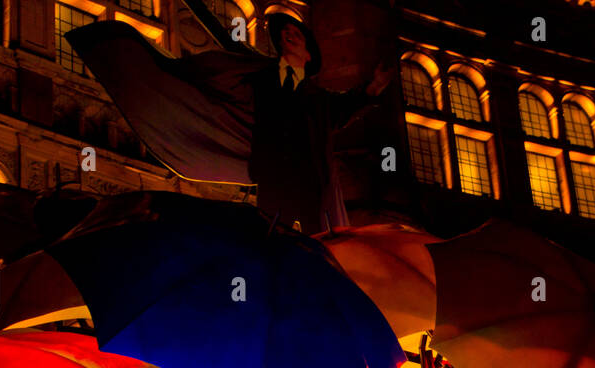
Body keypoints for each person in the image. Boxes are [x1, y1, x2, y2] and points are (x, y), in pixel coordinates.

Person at [66, 12, 392, 233]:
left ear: (309, 54)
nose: (288, 36)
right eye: (284, 33)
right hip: (274, 182)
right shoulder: (258, 77)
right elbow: (219, 78)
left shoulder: (318, 98)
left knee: (316, 249)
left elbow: (343, 109)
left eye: (296, 34)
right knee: (273, 246)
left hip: (313, 186)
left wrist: (372, 89)